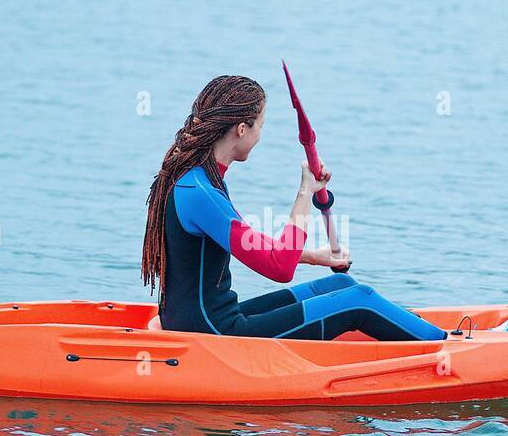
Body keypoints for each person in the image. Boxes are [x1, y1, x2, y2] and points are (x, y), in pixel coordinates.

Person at [141, 75, 448, 341]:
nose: (261, 135)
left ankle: (418, 331)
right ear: (242, 129)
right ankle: (446, 345)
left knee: (341, 283)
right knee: (360, 300)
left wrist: (314, 256)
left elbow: (250, 245)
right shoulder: (201, 193)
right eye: (261, 126)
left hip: (204, 320)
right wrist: (305, 191)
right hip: (214, 332)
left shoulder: (194, 178)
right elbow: (279, 268)